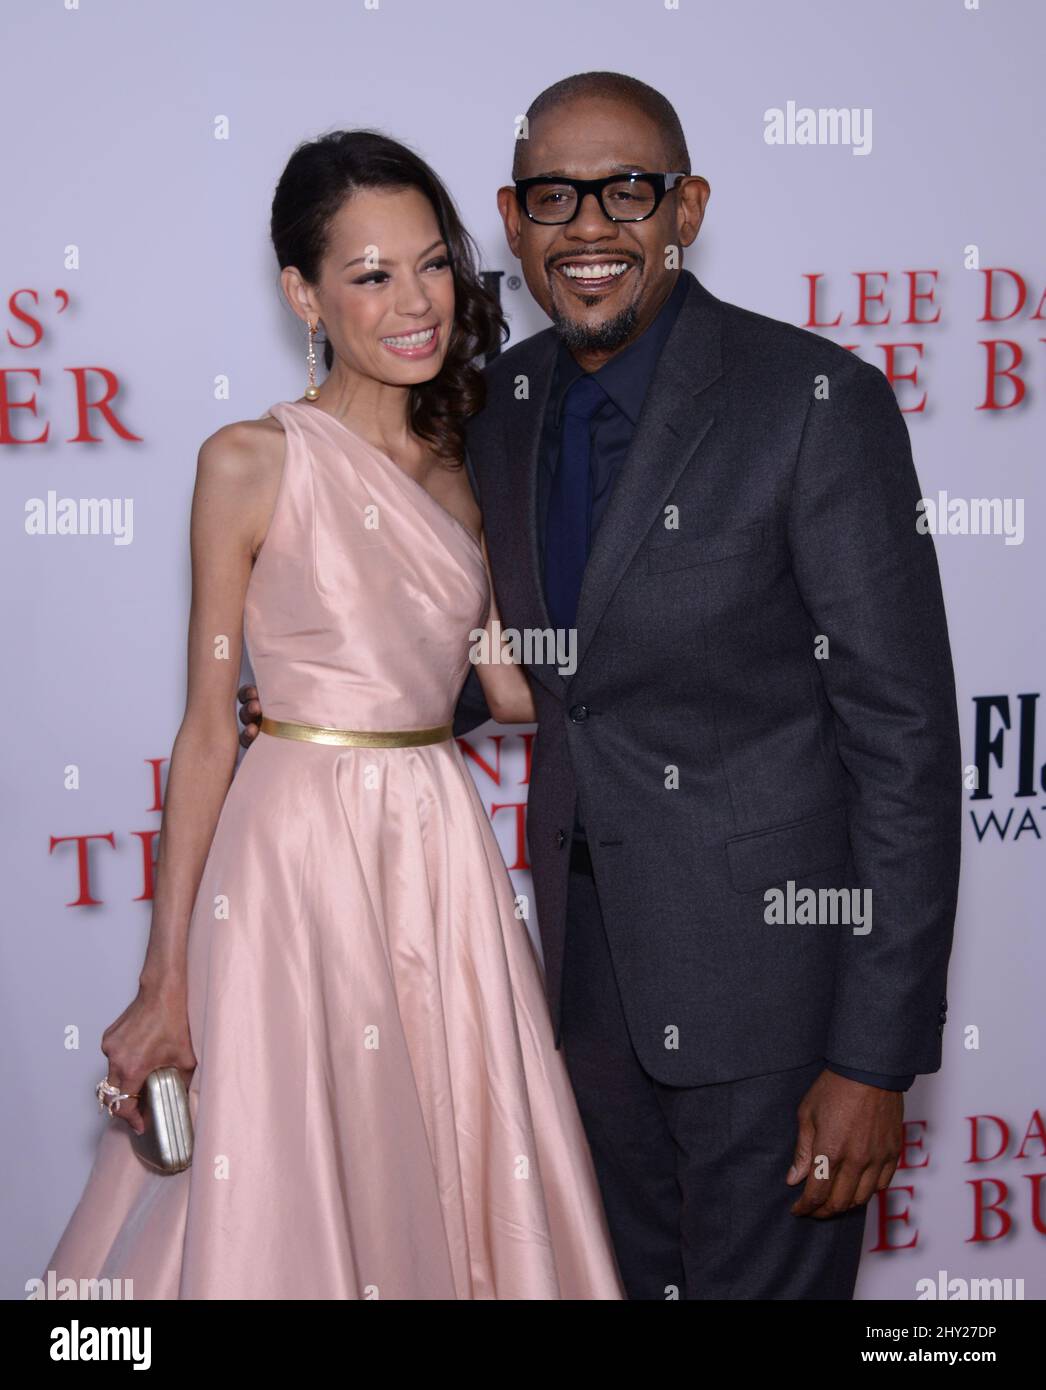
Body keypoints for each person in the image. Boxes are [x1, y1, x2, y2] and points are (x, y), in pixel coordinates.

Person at [243, 72, 962, 1301]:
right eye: (552, 197)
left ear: (684, 205)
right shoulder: (499, 412)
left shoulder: (810, 403)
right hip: (569, 1004)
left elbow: (904, 743)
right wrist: (353, 700)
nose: (587, 227)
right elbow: (534, 666)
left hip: (771, 1017)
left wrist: (871, 1059)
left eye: (625, 191)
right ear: (510, 224)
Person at [41, 129, 624, 1300]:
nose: (412, 303)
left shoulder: (472, 460)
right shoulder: (250, 460)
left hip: (437, 844)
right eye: (369, 275)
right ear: (301, 293)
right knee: (286, 1164)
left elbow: (510, 687)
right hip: (293, 847)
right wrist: (165, 979)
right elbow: (209, 723)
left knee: (443, 1153)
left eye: (429, 264)